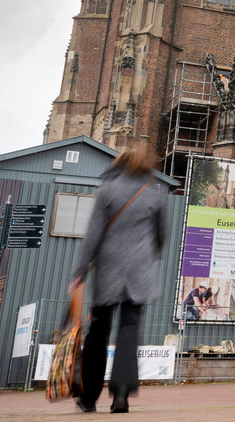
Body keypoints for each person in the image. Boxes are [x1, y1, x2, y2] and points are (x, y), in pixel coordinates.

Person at [71, 141, 167, 414]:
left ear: (120, 163)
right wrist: (146, 256)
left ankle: (88, 398)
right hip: (140, 271)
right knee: (129, 331)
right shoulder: (154, 193)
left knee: (98, 331)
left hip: (108, 271)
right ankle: (121, 395)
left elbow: (92, 235)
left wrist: (80, 271)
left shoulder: (107, 189)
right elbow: (162, 236)